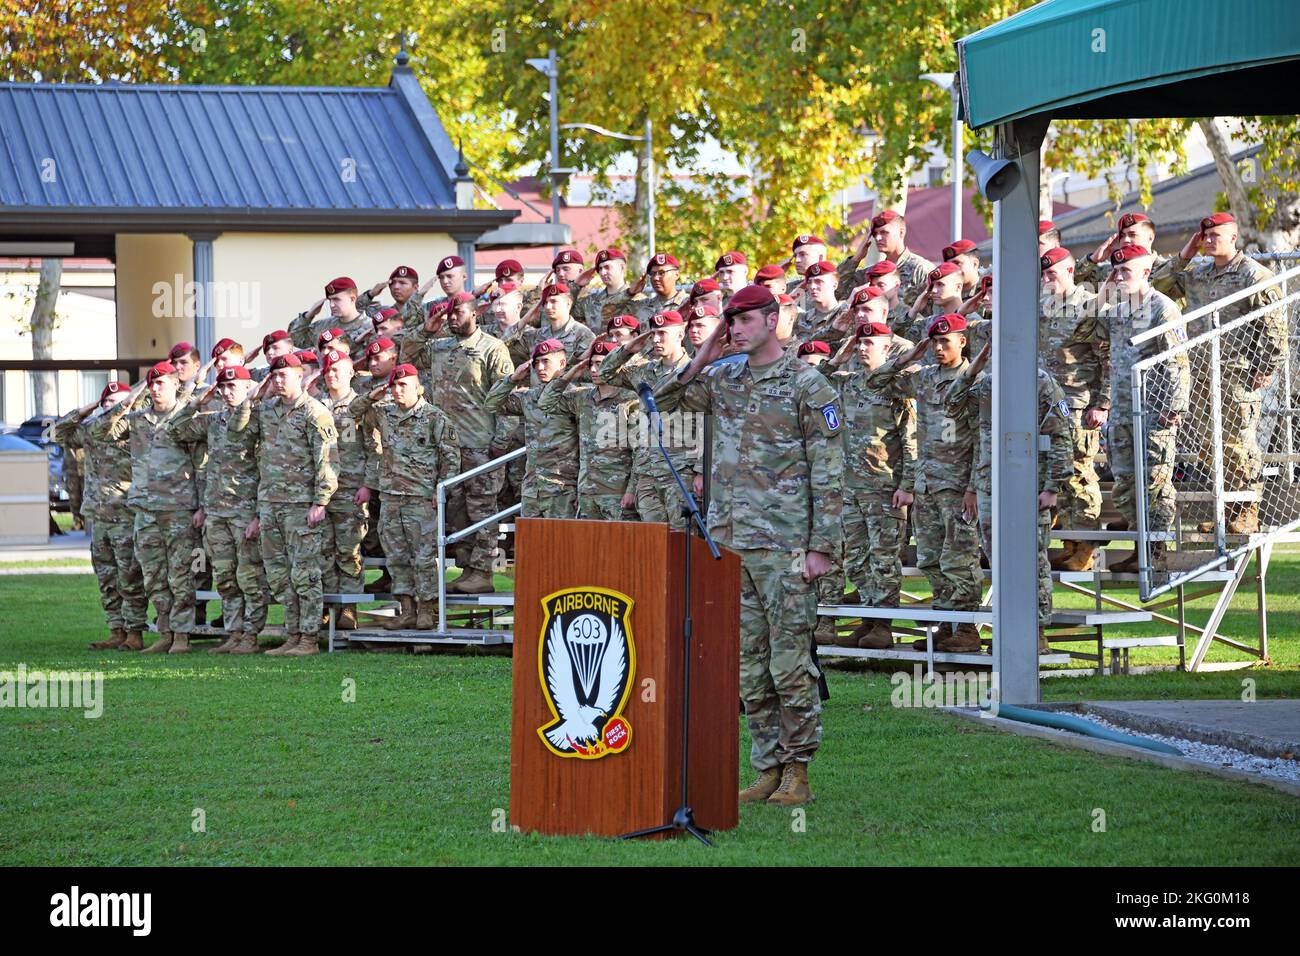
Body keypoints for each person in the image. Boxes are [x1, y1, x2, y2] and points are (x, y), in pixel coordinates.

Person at [655, 283, 844, 807]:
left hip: (786, 546)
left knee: (789, 665)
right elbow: (662, 405)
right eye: (729, 321)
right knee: (748, 665)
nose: (735, 328)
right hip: (731, 544)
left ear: (772, 318)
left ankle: (799, 769)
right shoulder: (722, 379)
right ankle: (768, 767)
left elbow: (830, 474)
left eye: (743, 320)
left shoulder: (809, 386)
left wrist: (821, 547)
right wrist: (705, 351)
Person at [1152, 211, 1287, 534]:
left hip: (1236, 373)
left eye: (1215, 236)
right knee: (1210, 446)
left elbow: (1274, 326)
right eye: (1205, 237)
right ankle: (1227, 509)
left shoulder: (1254, 276)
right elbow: (1158, 286)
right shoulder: (1198, 274)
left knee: (1238, 442)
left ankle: (1247, 509)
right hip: (1199, 371)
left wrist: (1265, 367)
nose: (1209, 241)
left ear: (1233, 238)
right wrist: (1185, 254)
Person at [945, 343, 1074, 653]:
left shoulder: (1041, 382)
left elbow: (1061, 436)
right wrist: (973, 367)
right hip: (990, 486)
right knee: (999, 561)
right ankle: (1008, 630)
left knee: (1032, 560)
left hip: (1028, 486)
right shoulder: (987, 383)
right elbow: (951, 404)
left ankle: (1036, 632)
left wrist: (1052, 487)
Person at [871, 315, 982, 652]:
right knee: (931, 559)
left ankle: (966, 629)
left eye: (944, 341)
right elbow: (875, 383)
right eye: (933, 342)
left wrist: (974, 487)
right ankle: (946, 624)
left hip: (958, 485)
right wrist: (907, 356)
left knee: (959, 558)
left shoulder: (975, 381)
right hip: (927, 484)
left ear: (962, 341)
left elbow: (981, 438)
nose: (937, 348)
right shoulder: (925, 378)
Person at [401, 291, 515, 594]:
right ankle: (466, 570)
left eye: (458, 312)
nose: (452, 317)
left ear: (475, 313)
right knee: (455, 511)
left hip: (480, 444)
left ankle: (484, 573)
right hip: (446, 447)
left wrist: (500, 442)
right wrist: (428, 327)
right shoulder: (439, 347)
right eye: (449, 313)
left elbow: (507, 397)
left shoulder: (492, 348)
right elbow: (406, 354)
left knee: (482, 510)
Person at [228, 353, 338, 656]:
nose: (277, 381)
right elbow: (236, 433)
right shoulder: (266, 411)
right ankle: (292, 634)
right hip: (271, 504)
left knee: (305, 573)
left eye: (283, 376)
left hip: (301, 505)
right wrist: (250, 398)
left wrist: (321, 500)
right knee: (279, 575)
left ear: (299, 376)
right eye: (274, 377)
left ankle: (309, 638)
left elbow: (327, 459)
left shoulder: (315, 412)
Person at [90, 361, 204, 654]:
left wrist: (202, 505)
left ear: (176, 384)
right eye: (151, 384)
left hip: (178, 509)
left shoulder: (187, 417)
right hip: (145, 510)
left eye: (161, 383)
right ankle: (165, 632)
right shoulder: (138, 419)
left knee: (180, 574)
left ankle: (182, 635)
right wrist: (128, 399)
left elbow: (202, 463)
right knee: (153, 576)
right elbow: (101, 430)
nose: (155, 389)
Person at [819, 322, 916, 649]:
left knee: (883, 557)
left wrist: (908, 484)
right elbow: (818, 380)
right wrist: (838, 355)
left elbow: (910, 440)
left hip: (885, 488)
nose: (862, 349)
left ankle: (882, 625)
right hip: (851, 488)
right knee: (857, 558)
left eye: (870, 343)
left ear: (887, 348)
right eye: (859, 344)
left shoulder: (895, 388)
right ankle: (867, 618)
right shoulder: (848, 384)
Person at [1095, 244, 1190, 572]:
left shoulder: (1162, 309)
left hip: (1154, 412)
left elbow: (1177, 361)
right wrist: (1106, 289)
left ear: (1146, 272)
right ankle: (1141, 546)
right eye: (1115, 270)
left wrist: (1172, 406)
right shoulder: (1116, 311)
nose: (1120, 276)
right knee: (1124, 484)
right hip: (1122, 412)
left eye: (1126, 271)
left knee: (1154, 481)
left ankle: (1157, 551)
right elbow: (1082, 329)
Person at [349, 364, 461, 630]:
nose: (398, 391)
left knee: (423, 558)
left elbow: (451, 457)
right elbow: (351, 413)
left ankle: (427, 610)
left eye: (404, 385)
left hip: (421, 499)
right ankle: (407, 609)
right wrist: (373, 396)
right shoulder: (383, 413)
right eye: (394, 386)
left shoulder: (435, 418)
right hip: (391, 498)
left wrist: (441, 490)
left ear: (418, 387)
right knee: (397, 558)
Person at [168, 365, 269, 654]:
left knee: (249, 576)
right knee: (225, 577)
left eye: (233, 387)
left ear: (249, 387)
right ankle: (234, 633)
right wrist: (197, 401)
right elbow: (177, 429)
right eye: (223, 388)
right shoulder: (214, 420)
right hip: (217, 511)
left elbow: (267, 467)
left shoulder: (259, 420)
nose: (226, 392)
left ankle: (250, 635)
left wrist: (259, 514)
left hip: (245, 509)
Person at [54, 382, 148, 650]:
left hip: (126, 514)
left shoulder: (135, 430)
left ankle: (135, 632)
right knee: (106, 578)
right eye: (108, 402)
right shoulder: (91, 432)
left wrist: (125, 407)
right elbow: (58, 432)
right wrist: (88, 409)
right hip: (99, 516)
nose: (113, 408)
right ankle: (116, 630)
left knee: (130, 577)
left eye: (118, 402)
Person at [594, 311, 699, 529]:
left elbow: (706, 424)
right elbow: (604, 374)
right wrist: (627, 349)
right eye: (653, 334)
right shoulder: (644, 372)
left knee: (684, 541)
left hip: (680, 472)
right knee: (653, 544)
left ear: (681, 334)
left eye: (662, 333)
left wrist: (700, 470)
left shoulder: (695, 371)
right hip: (648, 474)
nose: (657, 339)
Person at [1039, 246, 1108, 570]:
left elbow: (1106, 357)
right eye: (1043, 274)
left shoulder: (1089, 306)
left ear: (1069, 271)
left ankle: (1086, 547)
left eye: (1051, 273)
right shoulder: (1042, 306)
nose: (1046, 279)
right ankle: (1069, 541)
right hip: (1046, 404)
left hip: (1078, 402)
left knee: (1079, 471)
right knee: (1057, 473)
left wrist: (1101, 403)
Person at [538, 341, 639, 521]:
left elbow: (640, 451)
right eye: (591, 364)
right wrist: (567, 377)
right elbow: (545, 403)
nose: (593, 369)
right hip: (587, 493)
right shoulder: (583, 397)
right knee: (589, 548)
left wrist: (631, 490)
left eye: (600, 364)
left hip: (616, 494)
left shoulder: (631, 401)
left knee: (620, 548)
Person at [483, 339, 581, 519]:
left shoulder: (575, 397)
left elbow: (586, 444)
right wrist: (513, 379)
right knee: (530, 544)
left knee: (562, 544)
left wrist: (581, 489)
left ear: (562, 363)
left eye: (546, 361)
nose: (540, 367)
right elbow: (491, 404)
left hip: (562, 488)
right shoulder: (530, 397)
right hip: (532, 488)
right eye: (536, 363)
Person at [318, 349, 376, 624]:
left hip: (351, 490)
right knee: (324, 552)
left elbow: (374, 449)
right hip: (321, 492)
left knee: (348, 551)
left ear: (351, 372)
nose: (331, 375)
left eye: (337, 370)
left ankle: (350, 608)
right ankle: (328, 608)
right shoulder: (316, 406)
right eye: (327, 371)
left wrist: (368, 485)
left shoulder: (362, 406)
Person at [836, 210, 933, 304]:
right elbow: (836, 291)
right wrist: (855, 259)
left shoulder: (921, 269)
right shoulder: (873, 273)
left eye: (884, 232)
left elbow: (935, 311)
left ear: (901, 233)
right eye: (875, 234)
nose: (877, 238)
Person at [503, 282, 595, 365]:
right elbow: (504, 345)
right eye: (545, 302)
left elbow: (586, 370)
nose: (548, 306)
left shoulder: (583, 334)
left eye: (553, 301)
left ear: (568, 304)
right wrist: (525, 319)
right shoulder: (536, 335)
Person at [290, 277, 372, 352]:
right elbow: (296, 340)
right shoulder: (323, 326)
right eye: (330, 300)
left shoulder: (370, 327)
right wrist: (309, 315)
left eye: (337, 299)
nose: (332, 305)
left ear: (352, 299)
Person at [575, 247, 634, 333]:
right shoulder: (590, 302)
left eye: (607, 267)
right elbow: (564, 313)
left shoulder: (636, 299)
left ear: (622, 268)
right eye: (600, 269)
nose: (602, 273)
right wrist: (576, 286)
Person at [632, 252, 690, 321]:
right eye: (652, 274)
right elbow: (616, 311)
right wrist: (630, 293)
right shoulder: (643, 305)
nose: (655, 278)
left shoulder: (689, 303)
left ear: (676, 275)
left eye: (661, 273)